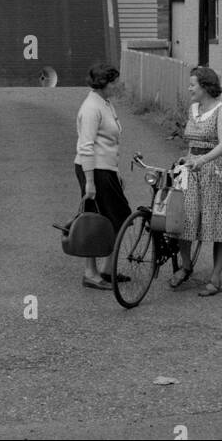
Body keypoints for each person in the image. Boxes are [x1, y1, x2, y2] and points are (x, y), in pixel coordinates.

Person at [171, 64, 222, 296]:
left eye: (193, 85)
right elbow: (192, 141)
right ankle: (186, 266)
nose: (189, 89)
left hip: (217, 172)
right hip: (192, 169)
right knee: (184, 220)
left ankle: (216, 278)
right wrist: (188, 157)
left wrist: (203, 160)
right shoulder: (193, 109)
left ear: (206, 87)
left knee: (219, 224)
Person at [74, 62, 130, 290]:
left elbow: (109, 143)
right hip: (93, 170)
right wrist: (89, 182)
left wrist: (116, 173)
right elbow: (86, 146)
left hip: (105, 169)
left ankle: (106, 269)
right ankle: (91, 273)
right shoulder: (91, 108)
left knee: (113, 218)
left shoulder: (104, 103)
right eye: (114, 82)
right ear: (103, 83)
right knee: (97, 220)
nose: (117, 86)